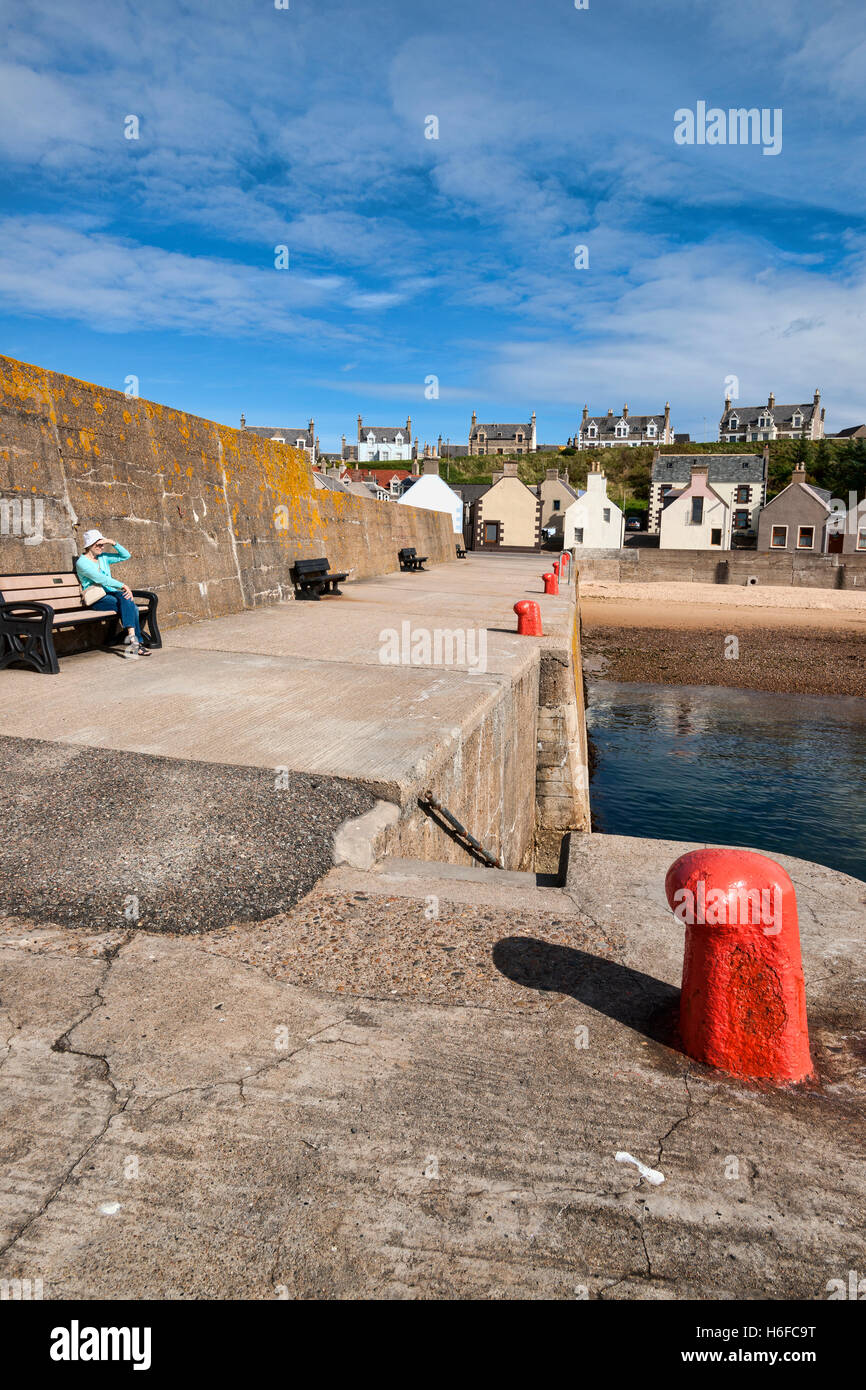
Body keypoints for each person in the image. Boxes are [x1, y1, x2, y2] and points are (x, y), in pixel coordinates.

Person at [75, 529, 153, 659]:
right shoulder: (82, 563)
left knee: (127, 600)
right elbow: (100, 578)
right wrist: (123, 585)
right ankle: (136, 641)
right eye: (98, 544)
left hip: (112, 594)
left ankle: (133, 642)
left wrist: (113, 542)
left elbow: (126, 555)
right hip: (97, 599)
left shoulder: (103, 557)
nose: (102, 546)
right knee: (131, 606)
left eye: (102, 544)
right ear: (89, 545)